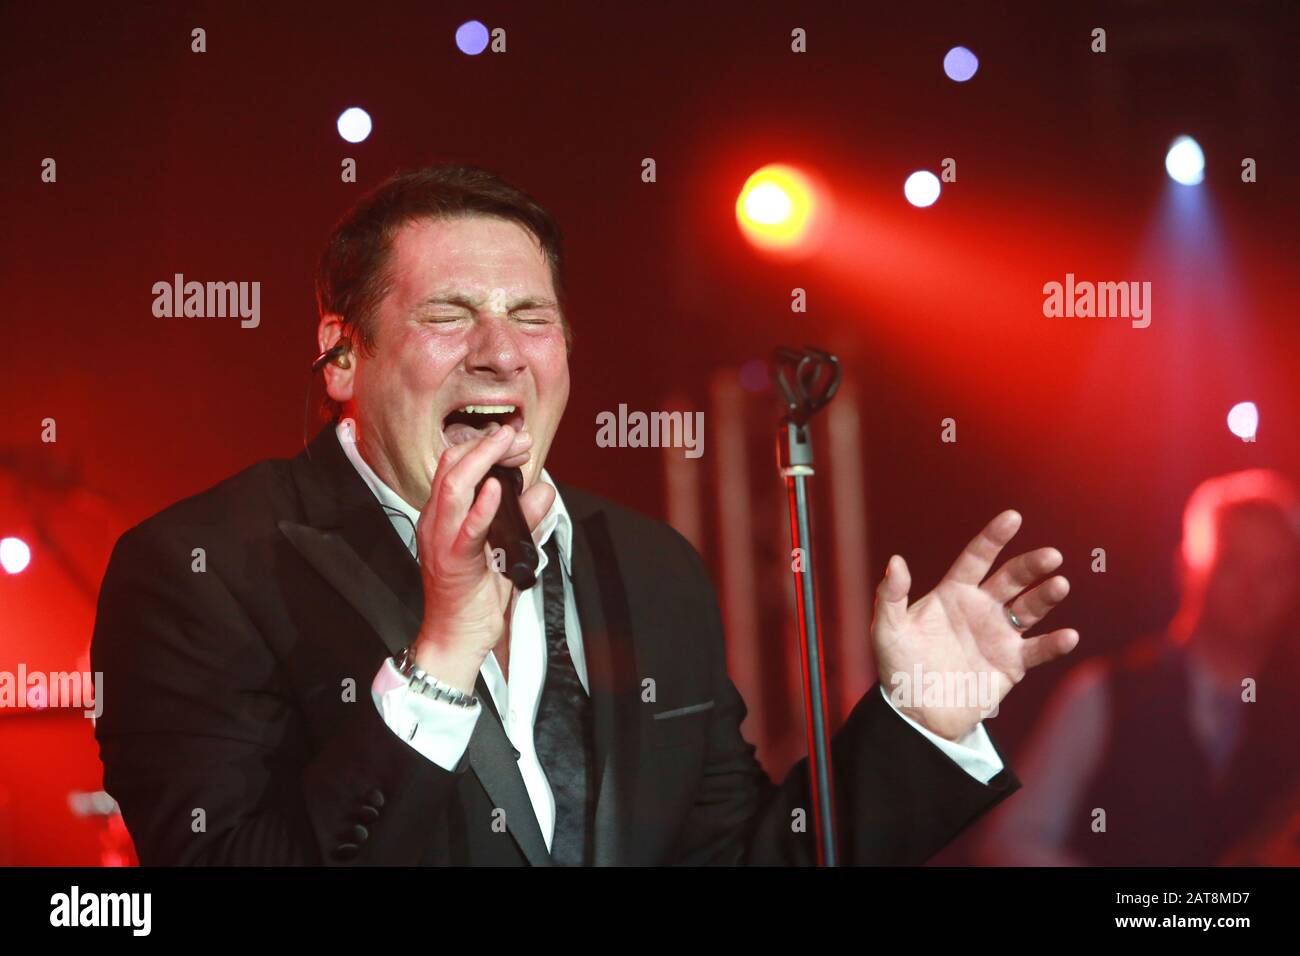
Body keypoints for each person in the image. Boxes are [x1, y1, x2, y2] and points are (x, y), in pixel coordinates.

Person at [90, 164, 1079, 866]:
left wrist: (918, 722)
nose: (499, 351)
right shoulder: (201, 564)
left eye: (530, 316)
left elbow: (737, 858)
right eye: (447, 313)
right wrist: (436, 663)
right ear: (342, 356)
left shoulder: (647, 566)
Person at [974, 469, 1300, 866]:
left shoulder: (1289, 714)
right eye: (1233, 562)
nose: (1252, 588)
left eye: (1274, 571)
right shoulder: (1100, 691)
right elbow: (1010, 842)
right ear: (1185, 566)